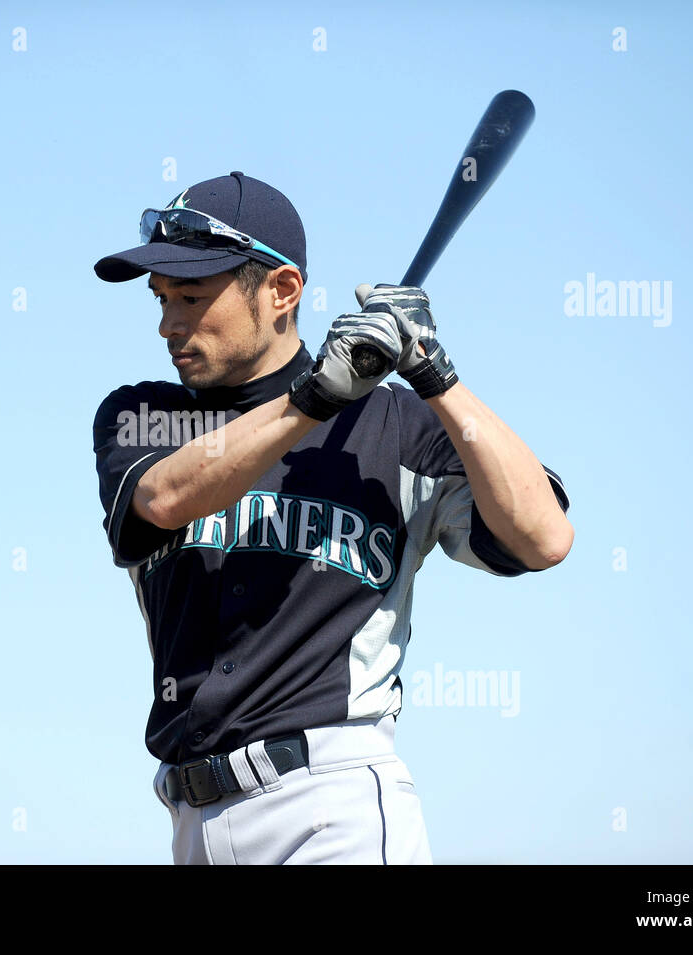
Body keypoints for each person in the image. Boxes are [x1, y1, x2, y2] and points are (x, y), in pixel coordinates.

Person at [91, 171, 572, 865]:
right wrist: (314, 398)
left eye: (192, 296)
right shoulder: (144, 415)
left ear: (283, 290)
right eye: (161, 298)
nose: (169, 323)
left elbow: (545, 536)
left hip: (331, 804)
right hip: (190, 821)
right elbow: (166, 499)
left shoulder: (400, 428)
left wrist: (436, 375)